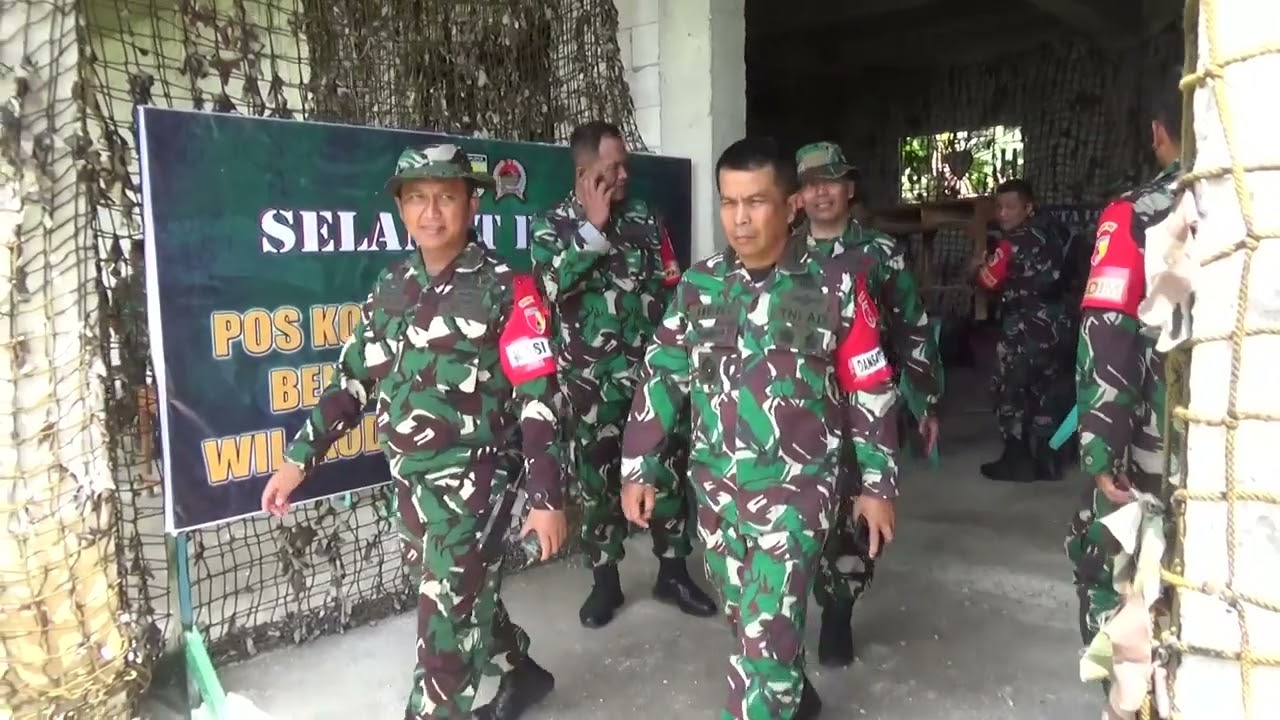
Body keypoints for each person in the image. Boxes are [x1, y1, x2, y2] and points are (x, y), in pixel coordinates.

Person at [258, 144, 568, 720]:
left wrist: (547, 498)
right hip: (409, 485)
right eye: (418, 198)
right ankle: (522, 671)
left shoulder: (509, 287)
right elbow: (353, 379)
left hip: (477, 488)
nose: (432, 212)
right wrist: (300, 459)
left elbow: (538, 397)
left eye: (446, 197)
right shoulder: (390, 287)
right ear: (401, 209)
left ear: (472, 203)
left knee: (442, 636)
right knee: (459, 593)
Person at [618, 136, 902, 720]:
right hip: (717, 493)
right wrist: (638, 465)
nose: (740, 219)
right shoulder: (699, 287)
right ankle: (792, 695)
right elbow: (661, 377)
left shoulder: (835, 287)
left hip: (797, 493)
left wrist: (877, 486)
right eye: (728, 203)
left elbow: (869, 388)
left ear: (791, 204)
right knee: (750, 623)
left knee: (765, 637)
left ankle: (770, 697)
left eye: (756, 202)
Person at [529, 121, 714, 628]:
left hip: (651, 382)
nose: (624, 174)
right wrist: (592, 226)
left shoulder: (647, 220)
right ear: (585, 172)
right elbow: (549, 288)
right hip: (591, 387)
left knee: (668, 473)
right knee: (597, 484)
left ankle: (672, 571)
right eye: (613, 167)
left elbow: (673, 287)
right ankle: (605, 583)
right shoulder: (553, 226)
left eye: (625, 164)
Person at [793, 140, 942, 667]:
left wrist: (925, 399)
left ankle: (838, 615)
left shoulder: (879, 252)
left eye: (830, 181)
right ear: (799, 195)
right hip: (798, 417)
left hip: (862, 414)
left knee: (855, 521)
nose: (821, 192)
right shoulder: (783, 255)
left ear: (848, 188)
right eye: (810, 183)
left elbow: (911, 326)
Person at [1066, 76, 1183, 662]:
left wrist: (1100, 452)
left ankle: (1131, 694)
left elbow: (1107, 331)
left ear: (1158, 132)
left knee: (1114, 563)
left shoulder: (1137, 213)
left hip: (1156, 441)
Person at [971, 178, 1074, 482]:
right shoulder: (1056, 235)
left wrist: (977, 268)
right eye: (999, 207)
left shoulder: (1009, 243)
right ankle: (1048, 460)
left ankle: (1016, 460)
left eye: (1010, 207)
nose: (1002, 213)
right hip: (1060, 324)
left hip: (1026, 327)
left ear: (1028, 208)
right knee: (1047, 391)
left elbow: (989, 282)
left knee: (1010, 390)